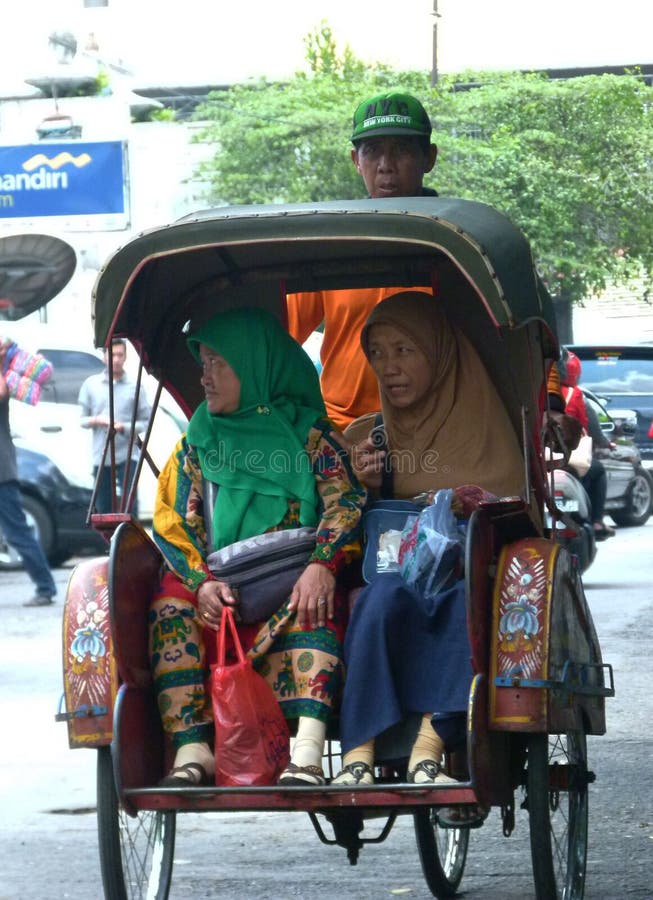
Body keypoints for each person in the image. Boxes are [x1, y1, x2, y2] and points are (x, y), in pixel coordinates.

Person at [149, 307, 366, 787]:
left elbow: (346, 501)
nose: (204, 377)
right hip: (223, 594)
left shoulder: (311, 436)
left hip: (297, 581)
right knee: (169, 601)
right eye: (202, 363)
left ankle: (308, 750)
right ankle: (193, 747)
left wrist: (322, 564)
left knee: (320, 597)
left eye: (218, 363)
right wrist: (201, 584)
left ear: (254, 366)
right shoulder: (196, 444)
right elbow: (173, 522)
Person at [331, 292, 524, 826]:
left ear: (438, 354)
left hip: (470, 569)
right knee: (377, 599)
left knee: (466, 601)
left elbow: (513, 510)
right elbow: (342, 520)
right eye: (377, 353)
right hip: (398, 570)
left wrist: (467, 503)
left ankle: (429, 746)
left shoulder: (486, 423)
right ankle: (358, 755)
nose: (388, 368)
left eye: (404, 350)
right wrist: (364, 485)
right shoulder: (368, 437)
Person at [287, 91, 439, 429]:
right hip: (341, 431)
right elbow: (277, 340)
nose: (386, 165)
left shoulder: (454, 242)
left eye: (402, 150)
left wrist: (551, 400)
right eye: (372, 151)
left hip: (434, 427)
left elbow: (516, 335)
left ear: (429, 158)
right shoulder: (335, 245)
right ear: (356, 160)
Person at [0, 339, 57, 607]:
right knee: (17, 531)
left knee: (17, 533)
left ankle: (45, 587)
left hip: (2, 473)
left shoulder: (4, 382)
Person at [78, 338, 151, 516]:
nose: (116, 359)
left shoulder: (135, 386)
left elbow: (146, 421)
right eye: (112, 355)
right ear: (104, 357)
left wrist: (123, 427)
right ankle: (109, 536)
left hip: (128, 454)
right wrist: (98, 420)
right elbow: (82, 420)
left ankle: (129, 535)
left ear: (125, 357)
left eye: (120, 355)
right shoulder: (91, 385)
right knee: (103, 509)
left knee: (129, 508)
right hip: (101, 455)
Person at [562, 351, 615, 540]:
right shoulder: (576, 395)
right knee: (598, 470)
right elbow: (590, 428)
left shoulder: (538, 394)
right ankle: (597, 521)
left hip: (540, 459)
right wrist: (607, 443)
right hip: (569, 459)